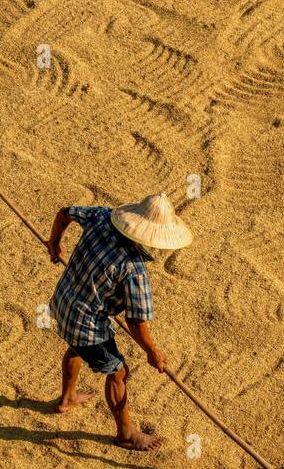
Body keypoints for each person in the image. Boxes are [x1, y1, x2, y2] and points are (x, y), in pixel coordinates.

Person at [46, 192, 192, 450]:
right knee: (118, 370)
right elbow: (135, 322)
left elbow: (64, 212)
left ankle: (67, 398)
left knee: (77, 346)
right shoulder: (133, 269)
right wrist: (152, 352)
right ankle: (125, 434)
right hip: (85, 321)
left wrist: (54, 242)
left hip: (62, 302)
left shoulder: (101, 216)